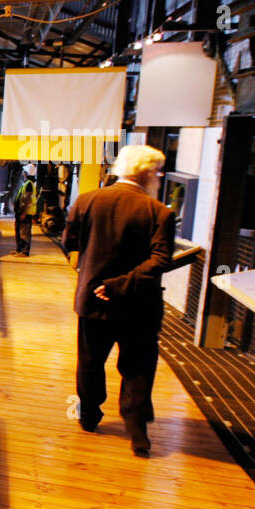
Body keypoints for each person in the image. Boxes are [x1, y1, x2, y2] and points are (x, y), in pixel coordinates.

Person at [62, 145, 176, 457]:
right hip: (140, 306)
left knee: (90, 360)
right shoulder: (160, 213)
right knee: (138, 366)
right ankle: (137, 431)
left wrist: (97, 272)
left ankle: (89, 415)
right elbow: (161, 259)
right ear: (150, 173)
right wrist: (122, 284)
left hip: (93, 300)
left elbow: (69, 241)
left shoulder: (88, 201)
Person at [12, 165, 38, 256]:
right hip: (21, 212)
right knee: (19, 230)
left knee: (24, 232)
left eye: (24, 172)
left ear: (27, 173)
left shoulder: (29, 184)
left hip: (26, 213)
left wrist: (23, 212)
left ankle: (24, 251)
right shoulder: (26, 183)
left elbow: (27, 199)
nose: (23, 173)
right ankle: (19, 249)